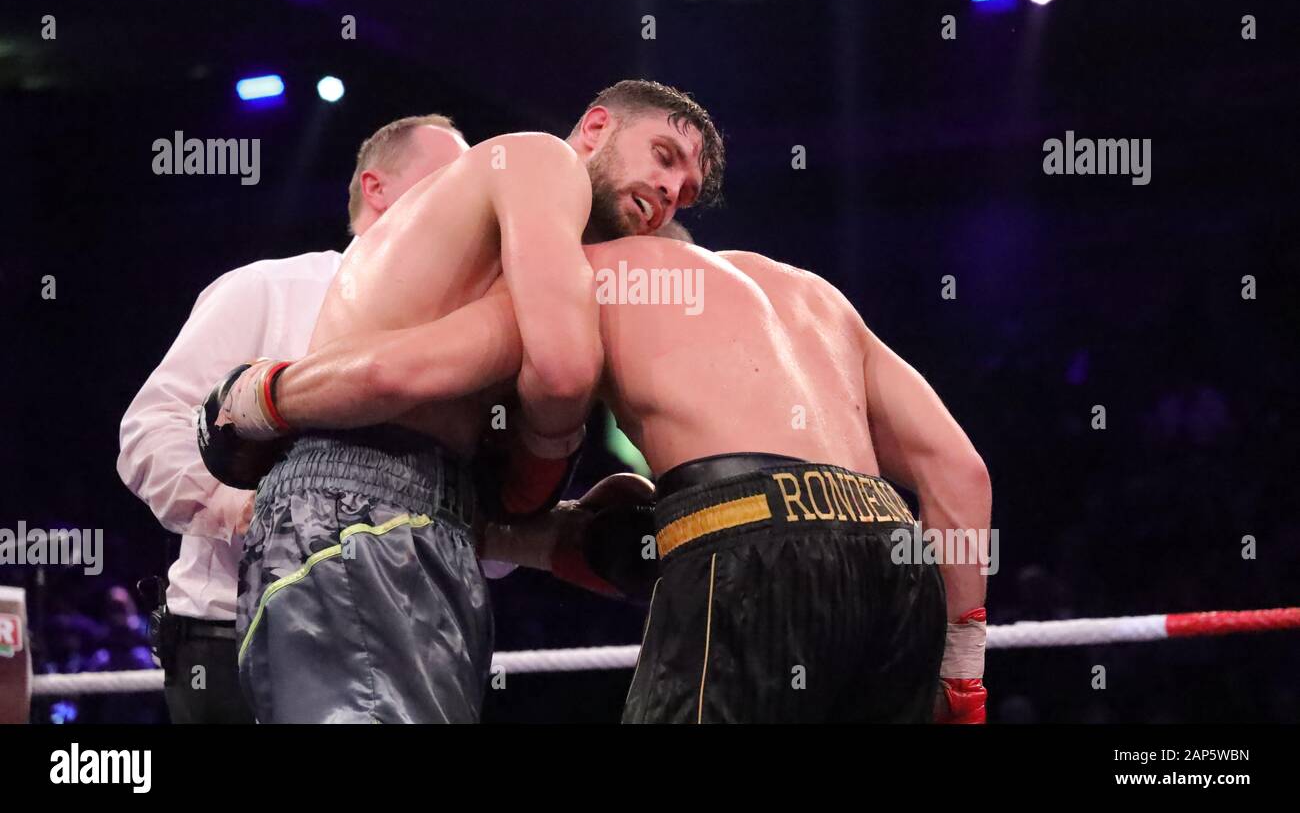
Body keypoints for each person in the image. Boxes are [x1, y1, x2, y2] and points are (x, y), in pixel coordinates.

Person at [213, 233, 992, 723]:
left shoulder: (589, 275)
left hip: (748, 543)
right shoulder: (808, 291)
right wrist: (962, 676)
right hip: (895, 556)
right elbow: (960, 471)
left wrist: (256, 398)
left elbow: (403, 368)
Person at [200, 80, 725, 723]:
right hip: (358, 508)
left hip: (420, 522)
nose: (673, 190)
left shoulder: (544, 261)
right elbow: (559, 375)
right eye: (664, 155)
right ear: (595, 128)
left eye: (688, 191)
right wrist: (263, 400)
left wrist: (548, 536)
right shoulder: (540, 160)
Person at [117, 113, 468, 723]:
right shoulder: (269, 289)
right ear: (375, 187)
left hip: (408, 643)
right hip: (235, 636)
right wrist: (255, 514)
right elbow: (150, 431)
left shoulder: (461, 337)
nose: (467, 203)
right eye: (446, 182)